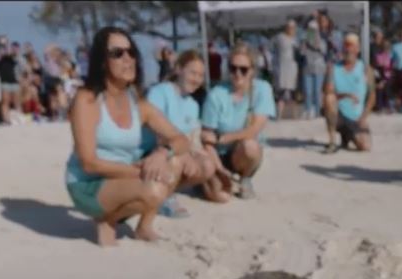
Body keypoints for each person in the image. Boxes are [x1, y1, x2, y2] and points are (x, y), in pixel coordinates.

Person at [65, 26, 192, 246]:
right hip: (89, 184)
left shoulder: (139, 104)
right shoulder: (87, 99)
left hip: (123, 177)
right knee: (155, 185)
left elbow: (181, 139)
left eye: (131, 52)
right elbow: (88, 163)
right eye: (118, 53)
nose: (128, 58)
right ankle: (107, 219)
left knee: (175, 161)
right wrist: (141, 170)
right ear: (103, 61)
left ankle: (144, 227)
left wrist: (162, 153)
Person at [142, 49, 215, 217]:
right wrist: (184, 155)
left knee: (207, 165)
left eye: (200, 75)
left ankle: (169, 187)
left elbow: (191, 139)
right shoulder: (160, 92)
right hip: (151, 151)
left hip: (175, 150)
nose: (196, 79)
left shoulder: (193, 105)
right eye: (192, 73)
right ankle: (163, 197)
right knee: (176, 157)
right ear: (178, 69)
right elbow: (156, 131)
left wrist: (200, 157)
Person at [200, 43, 275, 201]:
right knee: (221, 197)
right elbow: (207, 138)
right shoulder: (216, 95)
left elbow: (254, 129)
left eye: (243, 69)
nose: (238, 74)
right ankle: (212, 177)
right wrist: (220, 169)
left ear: (253, 71)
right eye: (233, 68)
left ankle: (245, 178)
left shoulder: (262, 89)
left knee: (251, 146)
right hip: (216, 155)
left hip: (239, 151)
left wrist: (223, 138)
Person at [322, 32, 374, 153]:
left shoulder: (366, 69)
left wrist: (363, 117)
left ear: (358, 49)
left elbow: (372, 96)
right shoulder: (333, 69)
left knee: (365, 146)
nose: (349, 50)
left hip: (357, 117)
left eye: (352, 47)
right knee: (329, 98)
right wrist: (346, 95)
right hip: (339, 114)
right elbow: (328, 93)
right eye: (346, 46)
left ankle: (348, 136)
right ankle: (332, 141)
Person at [272, 19, 298, 118]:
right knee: (281, 94)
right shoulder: (280, 38)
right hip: (282, 70)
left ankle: (295, 116)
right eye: (291, 28)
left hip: (293, 70)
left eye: (293, 28)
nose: (292, 30)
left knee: (293, 95)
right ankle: (279, 115)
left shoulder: (295, 40)